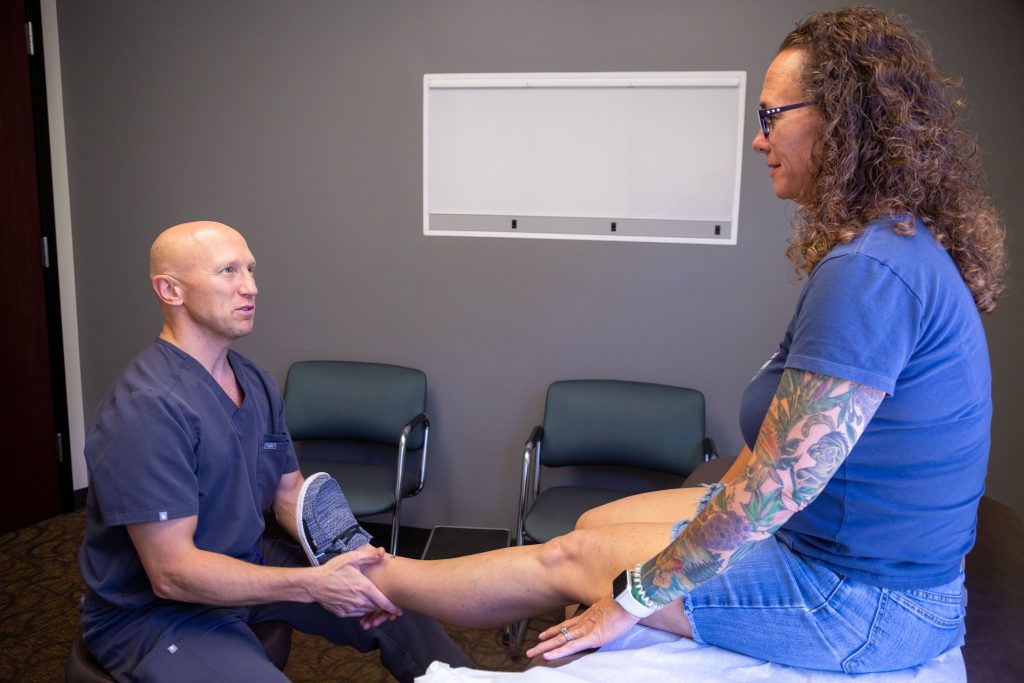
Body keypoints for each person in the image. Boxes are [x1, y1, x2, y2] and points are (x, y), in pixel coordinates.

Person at [311, 6, 1006, 674]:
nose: (758, 140)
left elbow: (780, 484)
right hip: (842, 552)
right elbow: (778, 449)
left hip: (862, 600)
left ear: (842, 121)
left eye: (771, 116)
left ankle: (370, 575)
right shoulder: (888, 249)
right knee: (594, 522)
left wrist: (633, 597)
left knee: (570, 559)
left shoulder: (871, 272)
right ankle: (388, 582)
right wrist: (696, 524)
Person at [77, 220, 473, 682]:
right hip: (154, 612)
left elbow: (289, 493)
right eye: (228, 271)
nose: (251, 287)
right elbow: (172, 573)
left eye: (250, 269)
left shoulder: (254, 381)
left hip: (247, 560)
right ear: (170, 290)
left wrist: (351, 552)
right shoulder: (147, 408)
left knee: (401, 605)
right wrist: (312, 585)